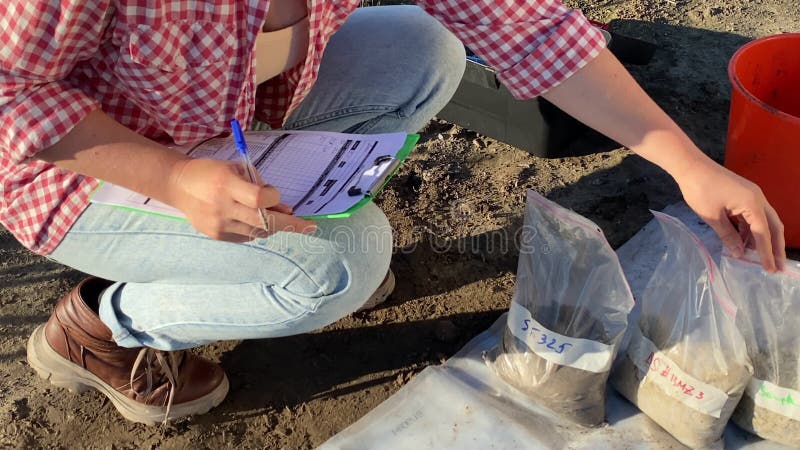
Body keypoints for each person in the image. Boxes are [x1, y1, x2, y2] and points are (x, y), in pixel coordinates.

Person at [1, 0, 786, 425]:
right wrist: (172, 178)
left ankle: (287, 220)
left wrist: (688, 163)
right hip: (76, 165)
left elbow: (529, 25)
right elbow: (11, 93)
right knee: (344, 263)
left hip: (229, 116)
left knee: (426, 45)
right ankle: (103, 327)